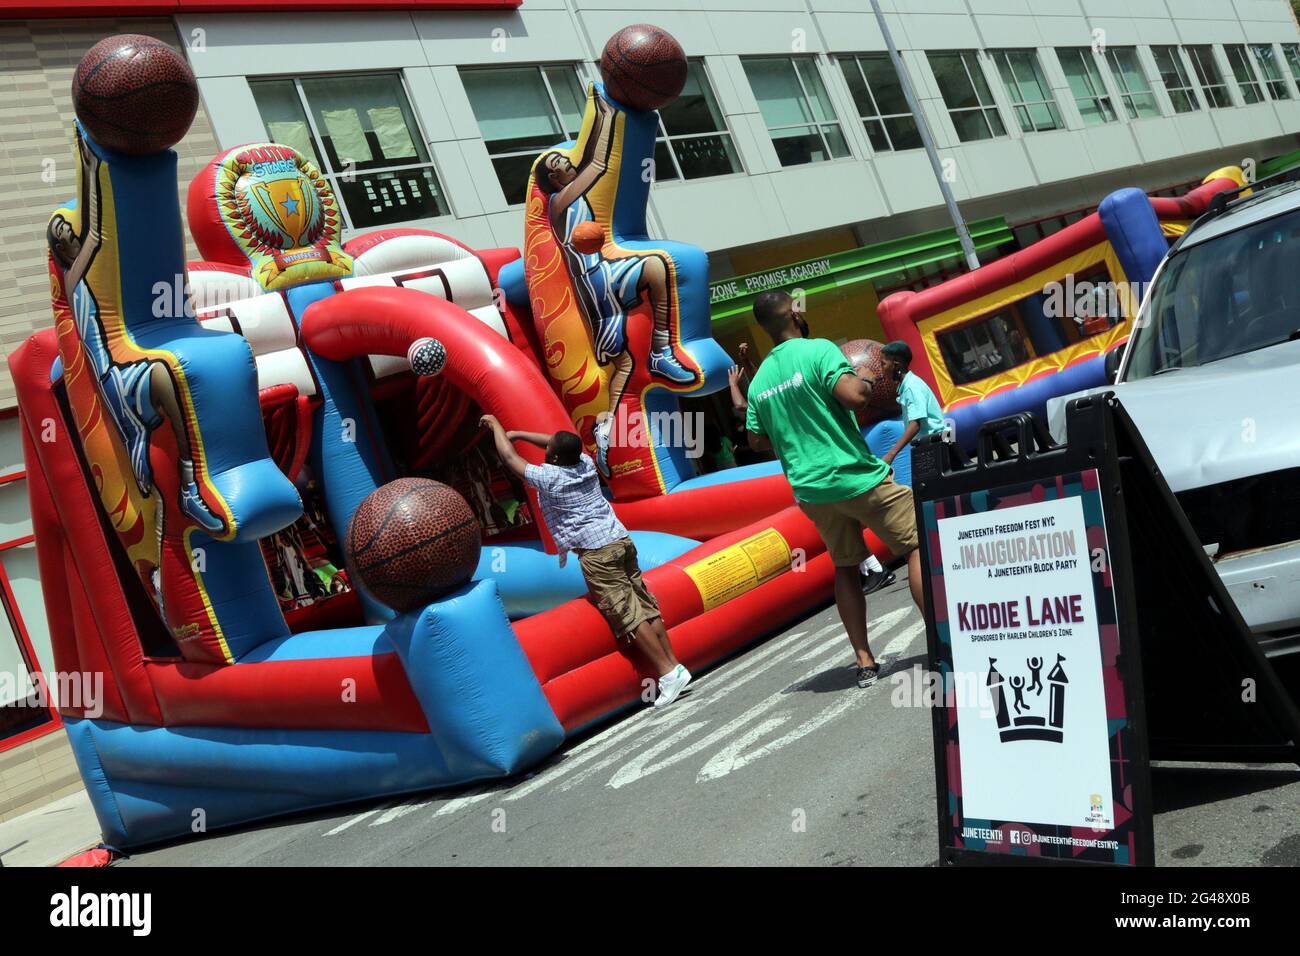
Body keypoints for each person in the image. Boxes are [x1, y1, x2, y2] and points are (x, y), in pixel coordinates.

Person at [745, 291, 924, 688]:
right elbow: (855, 396)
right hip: (854, 476)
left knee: (845, 565)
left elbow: (756, 440)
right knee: (918, 544)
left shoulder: (760, 380)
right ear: (793, 313)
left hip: (811, 491)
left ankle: (864, 661)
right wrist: (865, 376)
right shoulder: (819, 350)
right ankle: (945, 639)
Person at [480, 414, 692, 707]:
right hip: (620, 539)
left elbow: (509, 457)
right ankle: (674, 665)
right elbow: (559, 441)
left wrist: (496, 426)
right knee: (644, 604)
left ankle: (667, 673)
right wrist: (518, 431)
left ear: (552, 456)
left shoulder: (550, 477)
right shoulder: (586, 464)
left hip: (597, 553)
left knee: (627, 614)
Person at [536, 95, 699, 477]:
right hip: (595, 282)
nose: (568, 164)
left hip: (600, 275)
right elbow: (597, 162)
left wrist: (603, 120)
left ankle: (607, 427)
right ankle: (658, 353)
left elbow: (590, 159)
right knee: (657, 266)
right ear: (555, 181)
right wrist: (606, 118)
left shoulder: (569, 195)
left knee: (622, 362)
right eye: (561, 165)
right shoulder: (559, 202)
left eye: (564, 160)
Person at [876, 340, 945, 466]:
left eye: (883, 364)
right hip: (930, 444)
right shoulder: (907, 385)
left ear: (896, 364)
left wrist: (891, 454)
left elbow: (915, 425)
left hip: (938, 445)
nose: (881, 370)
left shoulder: (911, 387)